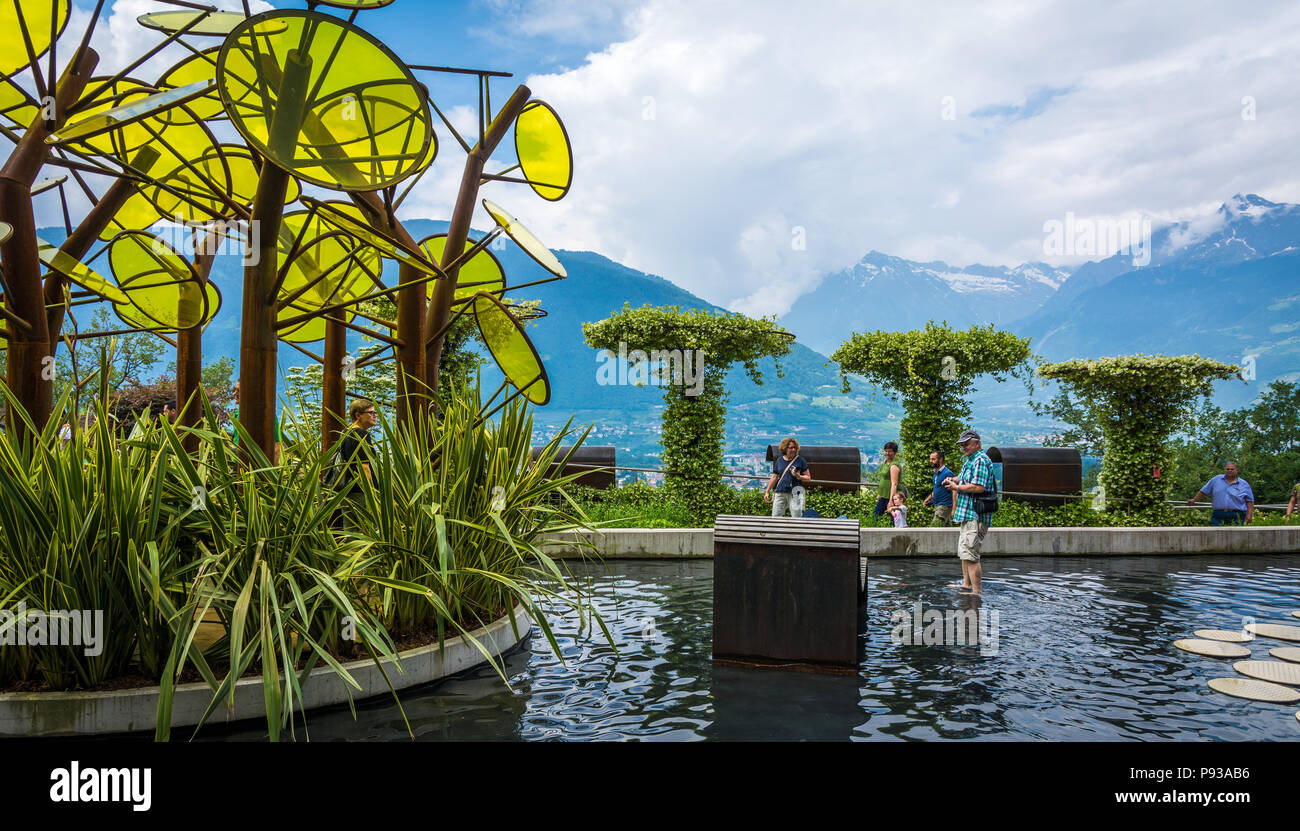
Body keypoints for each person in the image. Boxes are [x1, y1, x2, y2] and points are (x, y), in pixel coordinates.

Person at [944, 429, 995, 596]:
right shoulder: (970, 461)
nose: (963, 447)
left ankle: (976, 593)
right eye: (962, 445)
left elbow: (978, 487)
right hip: (967, 514)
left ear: (977, 443)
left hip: (976, 514)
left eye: (966, 444)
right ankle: (966, 585)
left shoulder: (980, 460)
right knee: (965, 552)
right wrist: (953, 479)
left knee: (971, 555)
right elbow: (964, 478)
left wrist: (956, 487)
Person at [331, 399, 379, 530]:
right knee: (367, 530)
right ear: (358, 415)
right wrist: (373, 493)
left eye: (375, 412)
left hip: (349, 490)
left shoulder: (346, 433)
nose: (375, 415)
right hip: (362, 492)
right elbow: (364, 466)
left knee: (351, 531)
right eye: (370, 413)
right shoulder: (360, 434)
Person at [1187, 462, 1255, 525]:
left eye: (1232, 469)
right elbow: (1203, 491)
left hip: (1237, 515)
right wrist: (1194, 500)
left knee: (1236, 537)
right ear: (1225, 470)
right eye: (1227, 469)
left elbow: (1250, 501)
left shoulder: (1244, 484)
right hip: (1218, 515)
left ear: (1237, 470)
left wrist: (1250, 515)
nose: (1230, 470)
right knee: (1216, 536)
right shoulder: (1215, 480)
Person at [764, 436, 811, 518]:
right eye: (791, 448)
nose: (793, 450)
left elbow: (808, 478)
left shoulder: (800, 460)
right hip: (780, 491)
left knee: (796, 517)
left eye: (794, 447)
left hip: (796, 492)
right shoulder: (779, 460)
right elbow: (774, 477)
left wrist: (798, 476)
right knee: (776, 516)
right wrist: (767, 491)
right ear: (785, 448)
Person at [922, 449, 955, 526]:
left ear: (940, 459)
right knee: (946, 531)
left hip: (944, 506)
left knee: (935, 527)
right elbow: (937, 489)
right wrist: (927, 499)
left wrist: (954, 509)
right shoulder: (936, 473)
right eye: (930, 459)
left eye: (933, 459)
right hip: (937, 505)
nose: (931, 461)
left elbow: (954, 490)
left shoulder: (947, 473)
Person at [874, 441, 903, 517]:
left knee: (894, 519)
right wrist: (880, 494)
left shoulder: (894, 466)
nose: (887, 453)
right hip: (884, 496)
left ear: (895, 452)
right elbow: (884, 479)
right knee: (876, 516)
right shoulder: (886, 462)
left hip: (891, 497)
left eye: (890, 451)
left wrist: (891, 501)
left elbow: (894, 484)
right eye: (886, 451)